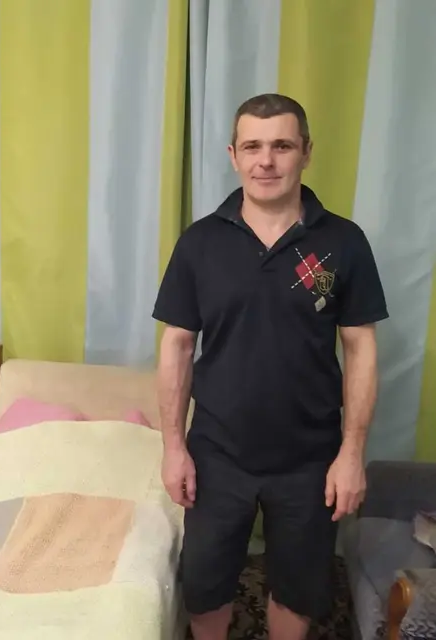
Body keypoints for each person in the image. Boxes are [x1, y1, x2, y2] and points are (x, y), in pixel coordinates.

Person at [152, 93, 389, 640]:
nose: (266, 161)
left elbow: (360, 348)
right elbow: (178, 346)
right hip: (217, 453)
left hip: (310, 457)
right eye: (253, 147)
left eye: (281, 146)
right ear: (233, 155)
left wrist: (352, 454)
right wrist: (173, 447)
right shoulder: (200, 243)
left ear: (306, 152)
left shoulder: (344, 242)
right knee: (205, 587)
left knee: (299, 591)